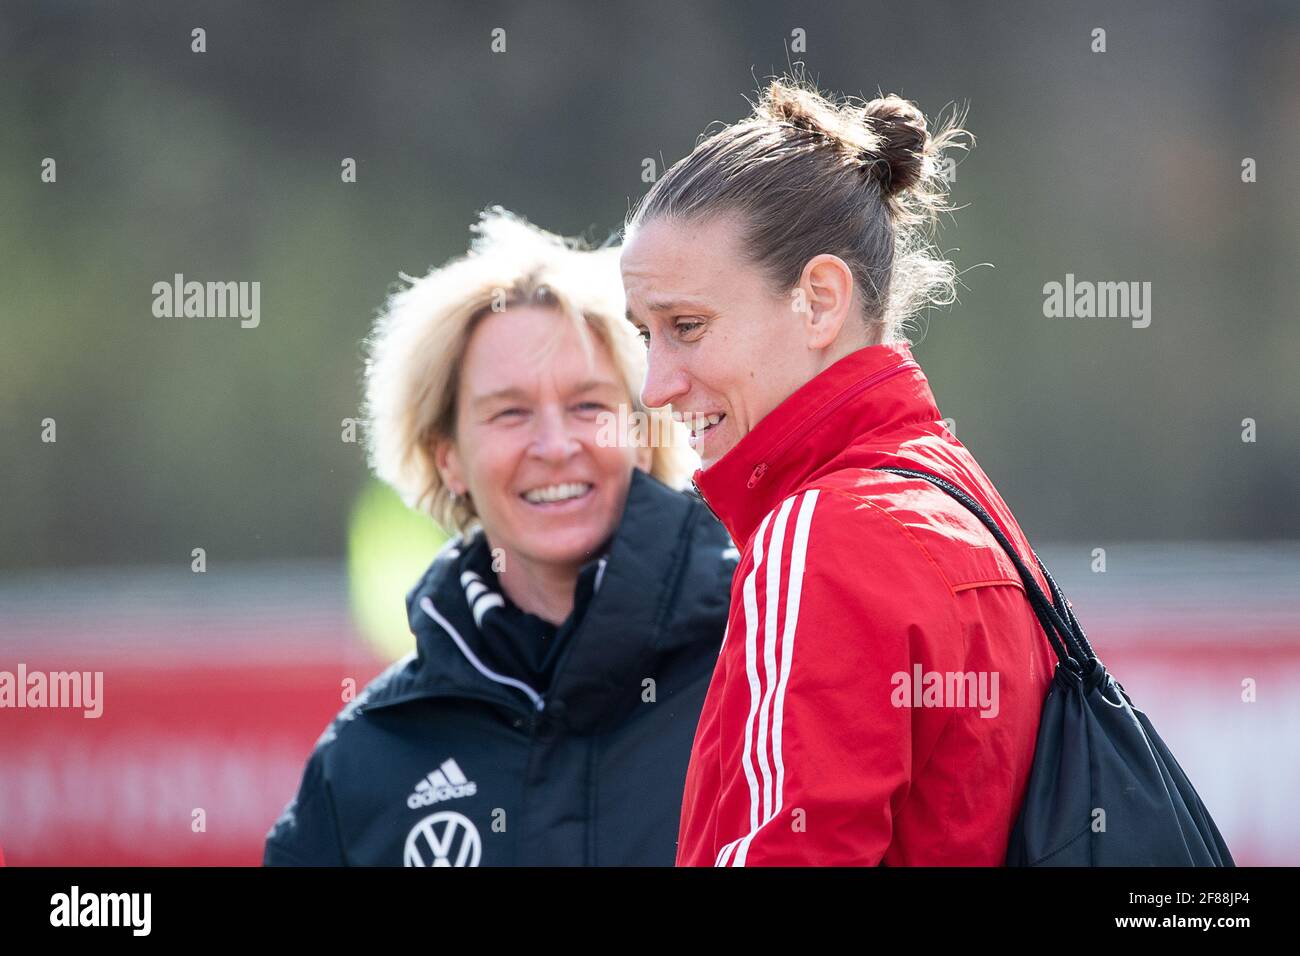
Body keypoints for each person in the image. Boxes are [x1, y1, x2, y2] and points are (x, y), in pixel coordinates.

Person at [621, 77, 1058, 866]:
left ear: (820, 301)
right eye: (645, 336)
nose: (655, 386)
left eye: (686, 326)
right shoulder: (955, 495)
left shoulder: (821, 532)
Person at [264, 208, 735, 866]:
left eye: (589, 406)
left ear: (643, 434)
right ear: (447, 457)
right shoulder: (365, 763)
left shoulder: (758, 668)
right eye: (510, 412)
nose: (554, 445)